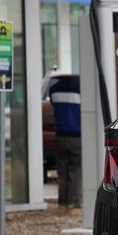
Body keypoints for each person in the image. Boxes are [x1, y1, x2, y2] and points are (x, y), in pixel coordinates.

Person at [50, 76, 81, 208]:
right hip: (77, 136)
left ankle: (62, 202)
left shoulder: (53, 90)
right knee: (76, 170)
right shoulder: (82, 89)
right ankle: (73, 202)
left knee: (62, 171)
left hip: (60, 136)